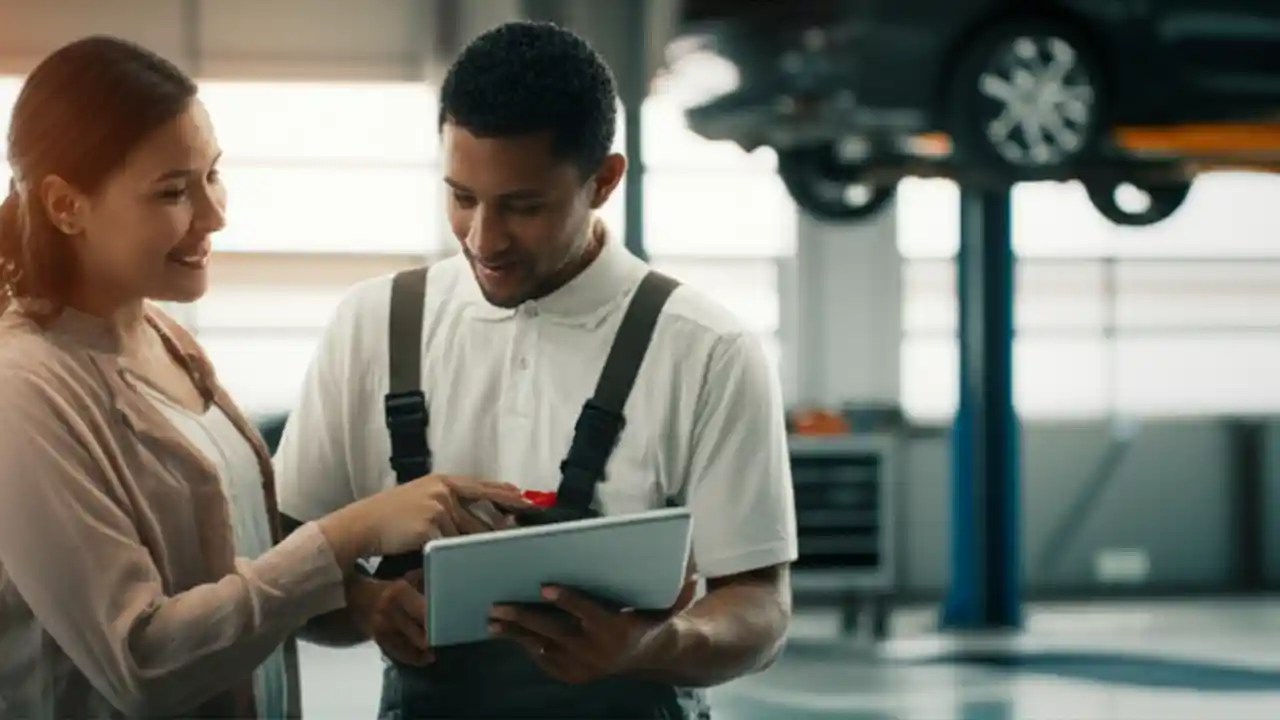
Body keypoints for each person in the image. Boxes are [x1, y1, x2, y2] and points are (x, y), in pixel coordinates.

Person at [274, 20, 799, 718]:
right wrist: (365, 605)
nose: (483, 240)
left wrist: (650, 645)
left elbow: (759, 606)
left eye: (524, 207)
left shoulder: (707, 350)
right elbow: (282, 576)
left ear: (604, 181)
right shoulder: (371, 326)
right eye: (462, 197)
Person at [0, 35, 531, 719]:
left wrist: (359, 601)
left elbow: (233, 570)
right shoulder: (24, 389)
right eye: (173, 191)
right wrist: (350, 533)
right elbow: (141, 660)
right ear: (66, 206)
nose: (216, 215)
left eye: (212, 175)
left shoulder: (163, 337)